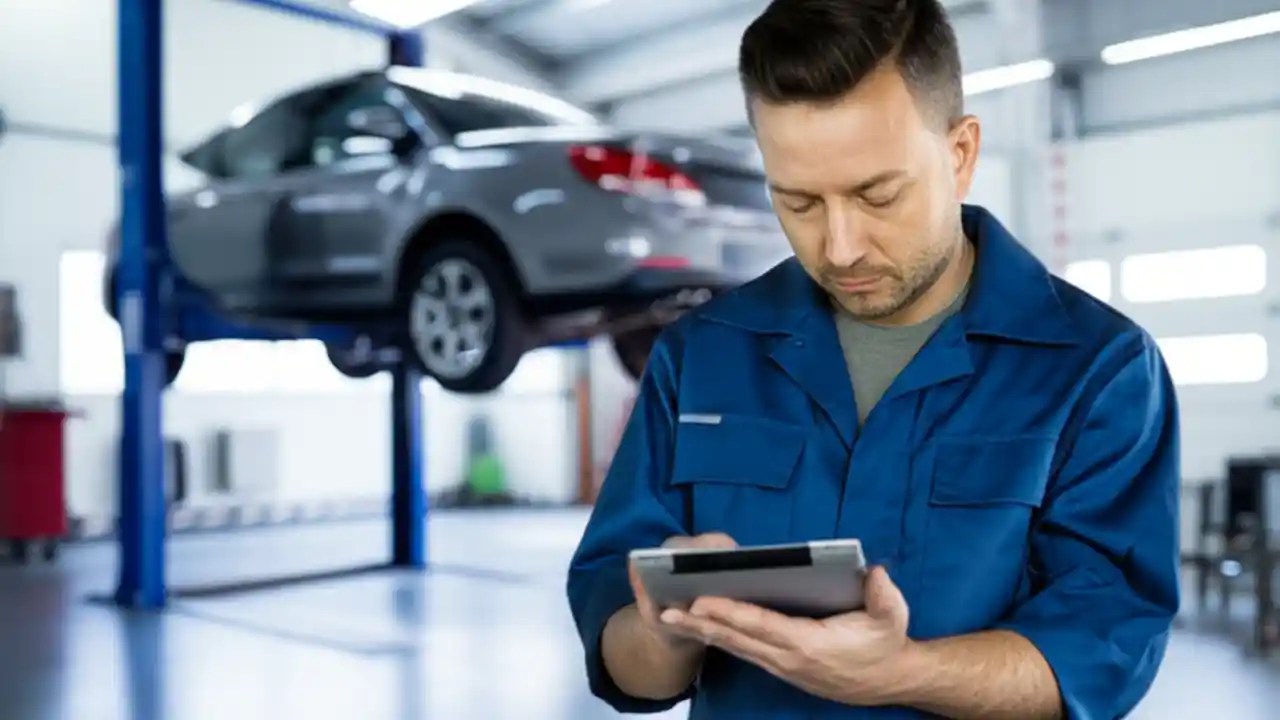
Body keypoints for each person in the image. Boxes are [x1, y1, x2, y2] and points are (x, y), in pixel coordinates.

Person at [566, 0, 1180, 718]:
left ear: (960, 155)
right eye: (798, 202)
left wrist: (906, 674)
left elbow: (1100, 649)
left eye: (876, 195)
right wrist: (667, 634)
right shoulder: (702, 356)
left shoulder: (1098, 370)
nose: (841, 246)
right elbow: (621, 649)